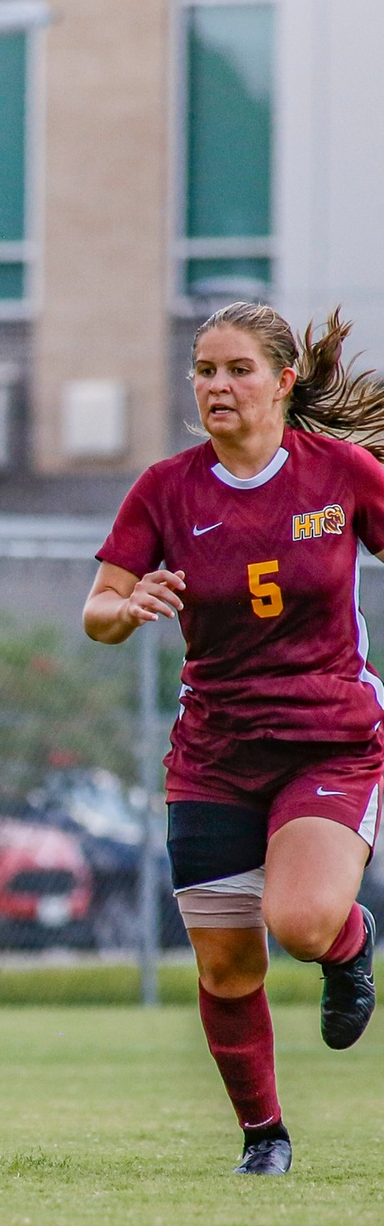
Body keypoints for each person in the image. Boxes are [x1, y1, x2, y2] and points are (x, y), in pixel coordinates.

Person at [84, 302, 384, 1177]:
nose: (218, 385)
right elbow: (97, 608)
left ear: (283, 380)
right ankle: (264, 1136)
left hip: (328, 740)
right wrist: (124, 606)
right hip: (215, 752)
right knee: (224, 965)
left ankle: (348, 943)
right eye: (205, 370)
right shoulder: (166, 488)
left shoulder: (341, 474)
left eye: (238, 370)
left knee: (298, 921)